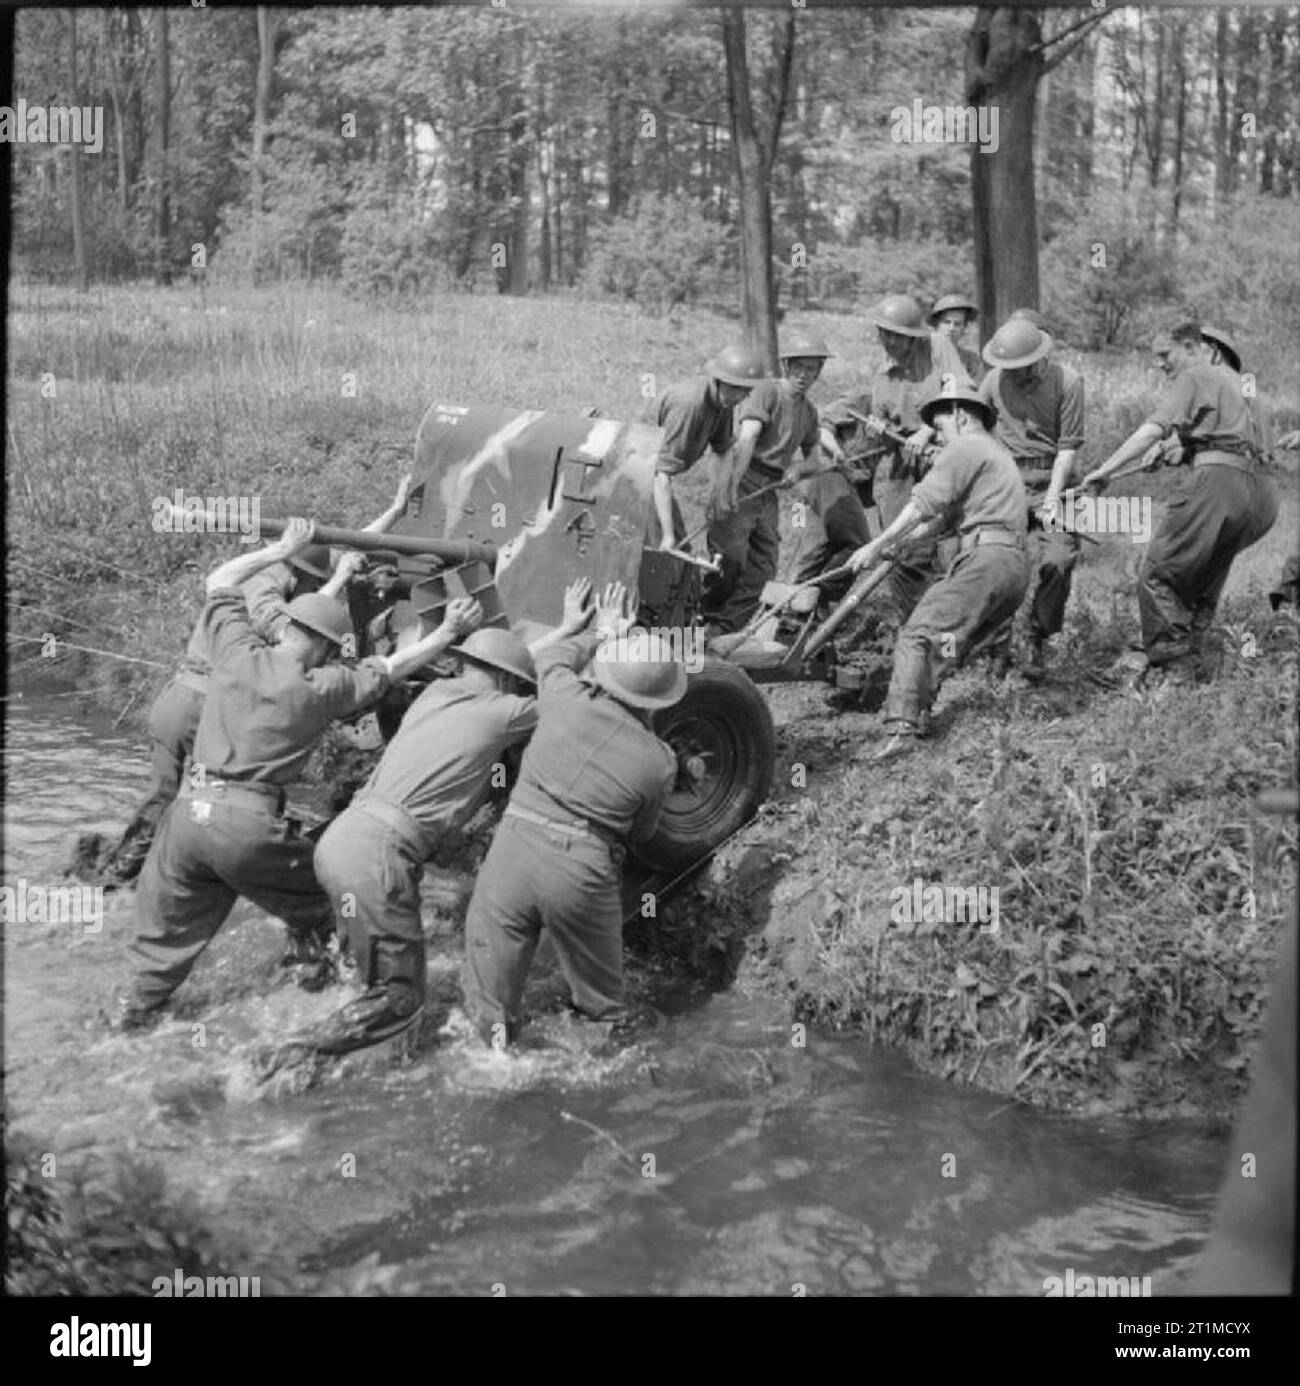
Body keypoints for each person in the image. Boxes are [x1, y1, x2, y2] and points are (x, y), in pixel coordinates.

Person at [111, 517, 479, 1033]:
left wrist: (280, 550)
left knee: (163, 939)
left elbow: (218, 581)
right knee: (331, 894)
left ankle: (129, 1018)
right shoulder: (323, 687)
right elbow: (394, 668)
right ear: (329, 648)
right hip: (245, 825)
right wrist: (447, 632)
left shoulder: (236, 652)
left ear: (287, 627)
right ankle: (316, 986)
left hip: (186, 819)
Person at [305, 584, 595, 1054]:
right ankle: (291, 1054)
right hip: (380, 857)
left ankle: (351, 1051)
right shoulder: (507, 713)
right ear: (507, 683)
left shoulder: (437, 692)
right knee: (399, 998)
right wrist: (590, 639)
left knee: (365, 976)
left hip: (339, 841)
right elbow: (563, 698)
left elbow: (502, 662)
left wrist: (560, 629)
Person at [98, 474, 413, 886]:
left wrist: (395, 509)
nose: (318, 588)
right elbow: (295, 633)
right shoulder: (264, 585)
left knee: (208, 807)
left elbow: (346, 546)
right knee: (171, 799)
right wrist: (334, 586)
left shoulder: (295, 565)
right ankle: (121, 879)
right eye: (316, 584)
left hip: (213, 704)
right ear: (301, 576)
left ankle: (182, 873)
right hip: (197, 703)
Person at [462, 582, 685, 1047]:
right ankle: (591, 1069)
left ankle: (493, 1062)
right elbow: (642, 834)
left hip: (512, 849)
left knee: (489, 1008)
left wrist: (600, 633)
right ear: (660, 701)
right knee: (603, 1010)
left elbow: (548, 659)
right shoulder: (660, 762)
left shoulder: (562, 697)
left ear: (606, 675)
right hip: (582, 871)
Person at [1080, 319, 1278, 684]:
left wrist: (1103, 471)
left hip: (1221, 488)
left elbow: (1153, 429)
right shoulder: (1247, 388)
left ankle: (1173, 669)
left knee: (1158, 573)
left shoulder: (1198, 374)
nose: (1160, 364)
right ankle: (1192, 658)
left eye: (1165, 354)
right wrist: (1180, 448)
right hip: (1262, 499)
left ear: (1204, 350)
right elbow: (1234, 443)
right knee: (1201, 573)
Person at [847, 382, 1029, 761]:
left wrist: (874, 545)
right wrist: (899, 547)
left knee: (917, 634)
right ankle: (921, 715)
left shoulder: (965, 447)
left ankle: (901, 729)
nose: (940, 438)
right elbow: (938, 522)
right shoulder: (994, 454)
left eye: (941, 426)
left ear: (961, 415)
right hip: (1011, 568)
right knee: (944, 643)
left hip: (985, 561)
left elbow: (921, 506)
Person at [809, 294, 970, 625]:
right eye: (885, 334)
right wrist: (878, 428)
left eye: (898, 335)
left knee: (944, 543)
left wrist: (926, 431)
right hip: (904, 464)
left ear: (913, 336)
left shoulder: (938, 347)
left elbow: (959, 392)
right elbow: (884, 429)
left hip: (945, 452)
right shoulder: (884, 376)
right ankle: (915, 625)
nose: (891, 342)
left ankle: (953, 626)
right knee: (898, 545)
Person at [703, 330, 837, 635]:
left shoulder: (809, 411)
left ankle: (722, 630)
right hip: (744, 479)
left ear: (819, 372)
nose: (804, 375)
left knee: (763, 568)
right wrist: (731, 488)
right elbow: (747, 437)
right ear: (787, 366)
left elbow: (816, 459)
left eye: (812, 368)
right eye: (799, 367)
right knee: (728, 559)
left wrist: (800, 469)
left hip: (769, 492)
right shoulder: (768, 392)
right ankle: (700, 616)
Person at [978, 316, 1086, 676]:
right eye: (1008, 368)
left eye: (1021, 368)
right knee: (997, 561)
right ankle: (996, 647)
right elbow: (977, 428)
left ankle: (1037, 637)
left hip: (1055, 481)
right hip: (1008, 483)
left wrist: (1053, 500)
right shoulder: (993, 381)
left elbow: (1067, 452)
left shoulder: (1067, 381)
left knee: (1057, 560)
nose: (1015, 375)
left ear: (1039, 358)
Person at [641, 346, 766, 551]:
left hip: (654, 480)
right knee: (665, 558)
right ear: (717, 380)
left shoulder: (722, 403)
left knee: (680, 558)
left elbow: (723, 450)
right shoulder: (690, 406)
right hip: (639, 477)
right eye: (733, 388)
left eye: (744, 392)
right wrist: (667, 537)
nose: (737, 397)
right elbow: (659, 474)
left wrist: (724, 494)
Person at [927, 293, 985, 383]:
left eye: (957, 324)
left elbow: (977, 391)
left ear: (964, 328)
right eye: (947, 322)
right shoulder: (923, 355)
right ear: (937, 324)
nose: (951, 328)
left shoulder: (971, 360)